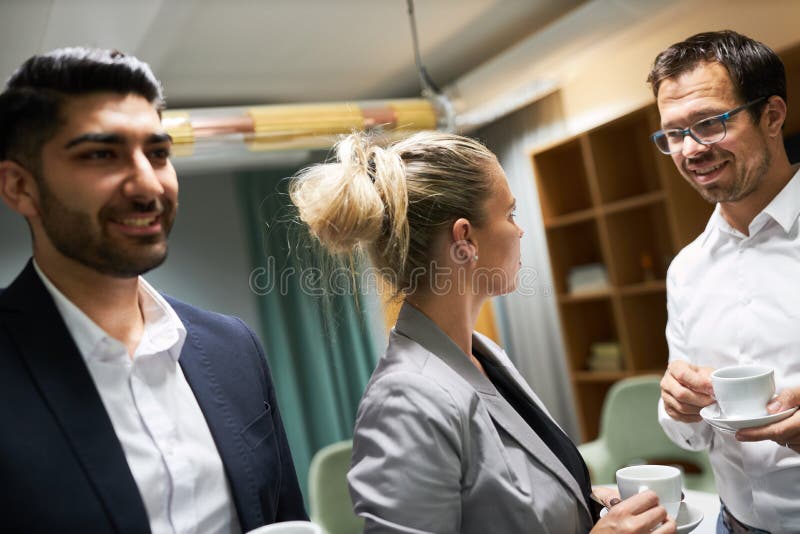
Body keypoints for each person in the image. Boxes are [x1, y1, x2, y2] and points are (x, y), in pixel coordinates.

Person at [290, 131, 675, 533]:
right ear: (465, 239)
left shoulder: (483, 354)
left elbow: (505, 505)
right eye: (510, 214)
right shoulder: (405, 401)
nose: (519, 231)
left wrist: (585, 503)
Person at [0, 47, 306, 532]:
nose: (148, 185)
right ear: (20, 187)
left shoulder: (234, 349)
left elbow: (284, 517)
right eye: (102, 154)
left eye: (158, 153)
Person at [649, 30, 800, 533]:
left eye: (709, 123)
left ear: (772, 115)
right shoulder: (687, 270)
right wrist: (678, 406)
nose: (690, 150)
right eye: (673, 133)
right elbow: (688, 434)